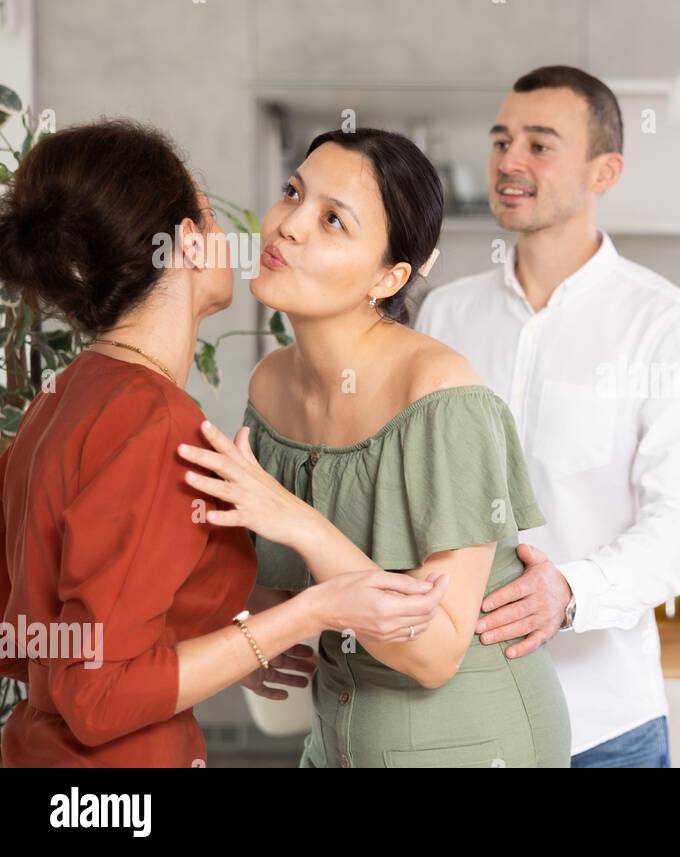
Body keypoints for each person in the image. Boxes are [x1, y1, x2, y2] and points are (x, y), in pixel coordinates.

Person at [0, 120, 444, 767]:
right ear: (185, 242)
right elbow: (96, 693)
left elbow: (35, 636)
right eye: (210, 222)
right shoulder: (148, 420)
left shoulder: (62, 397)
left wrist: (220, 648)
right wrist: (311, 611)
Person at [181, 127, 571, 767]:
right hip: (339, 733)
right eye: (293, 193)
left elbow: (436, 652)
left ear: (388, 277)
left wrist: (297, 520)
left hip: (471, 736)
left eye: (333, 220)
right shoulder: (273, 382)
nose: (288, 226)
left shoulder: (441, 395)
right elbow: (275, 586)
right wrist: (252, 639)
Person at [415, 66, 680, 767]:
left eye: (540, 144)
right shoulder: (447, 313)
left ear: (604, 170)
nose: (508, 162)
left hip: (603, 722)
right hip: (457, 711)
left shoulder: (666, 323)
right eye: (501, 141)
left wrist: (571, 589)